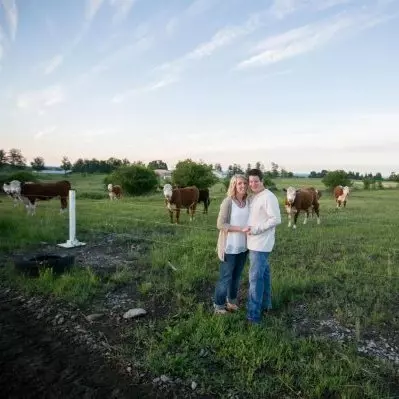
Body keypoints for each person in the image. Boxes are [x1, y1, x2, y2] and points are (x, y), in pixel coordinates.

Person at [243, 169, 281, 324]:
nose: (253, 184)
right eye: (250, 181)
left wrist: (256, 229)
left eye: (256, 181)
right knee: (264, 276)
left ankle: (253, 316)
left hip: (261, 243)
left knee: (255, 279)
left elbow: (276, 219)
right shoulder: (255, 197)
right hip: (254, 242)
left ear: (262, 180)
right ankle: (266, 305)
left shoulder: (268, 197)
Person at [214, 174, 249, 315]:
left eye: (244, 183)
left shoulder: (248, 202)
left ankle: (231, 302)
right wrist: (240, 229)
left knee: (236, 276)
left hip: (243, 247)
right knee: (226, 277)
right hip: (230, 247)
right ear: (233, 185)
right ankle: (218, 306)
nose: (243, 186)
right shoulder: (228, 202)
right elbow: (220, 224)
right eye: (239, 183)